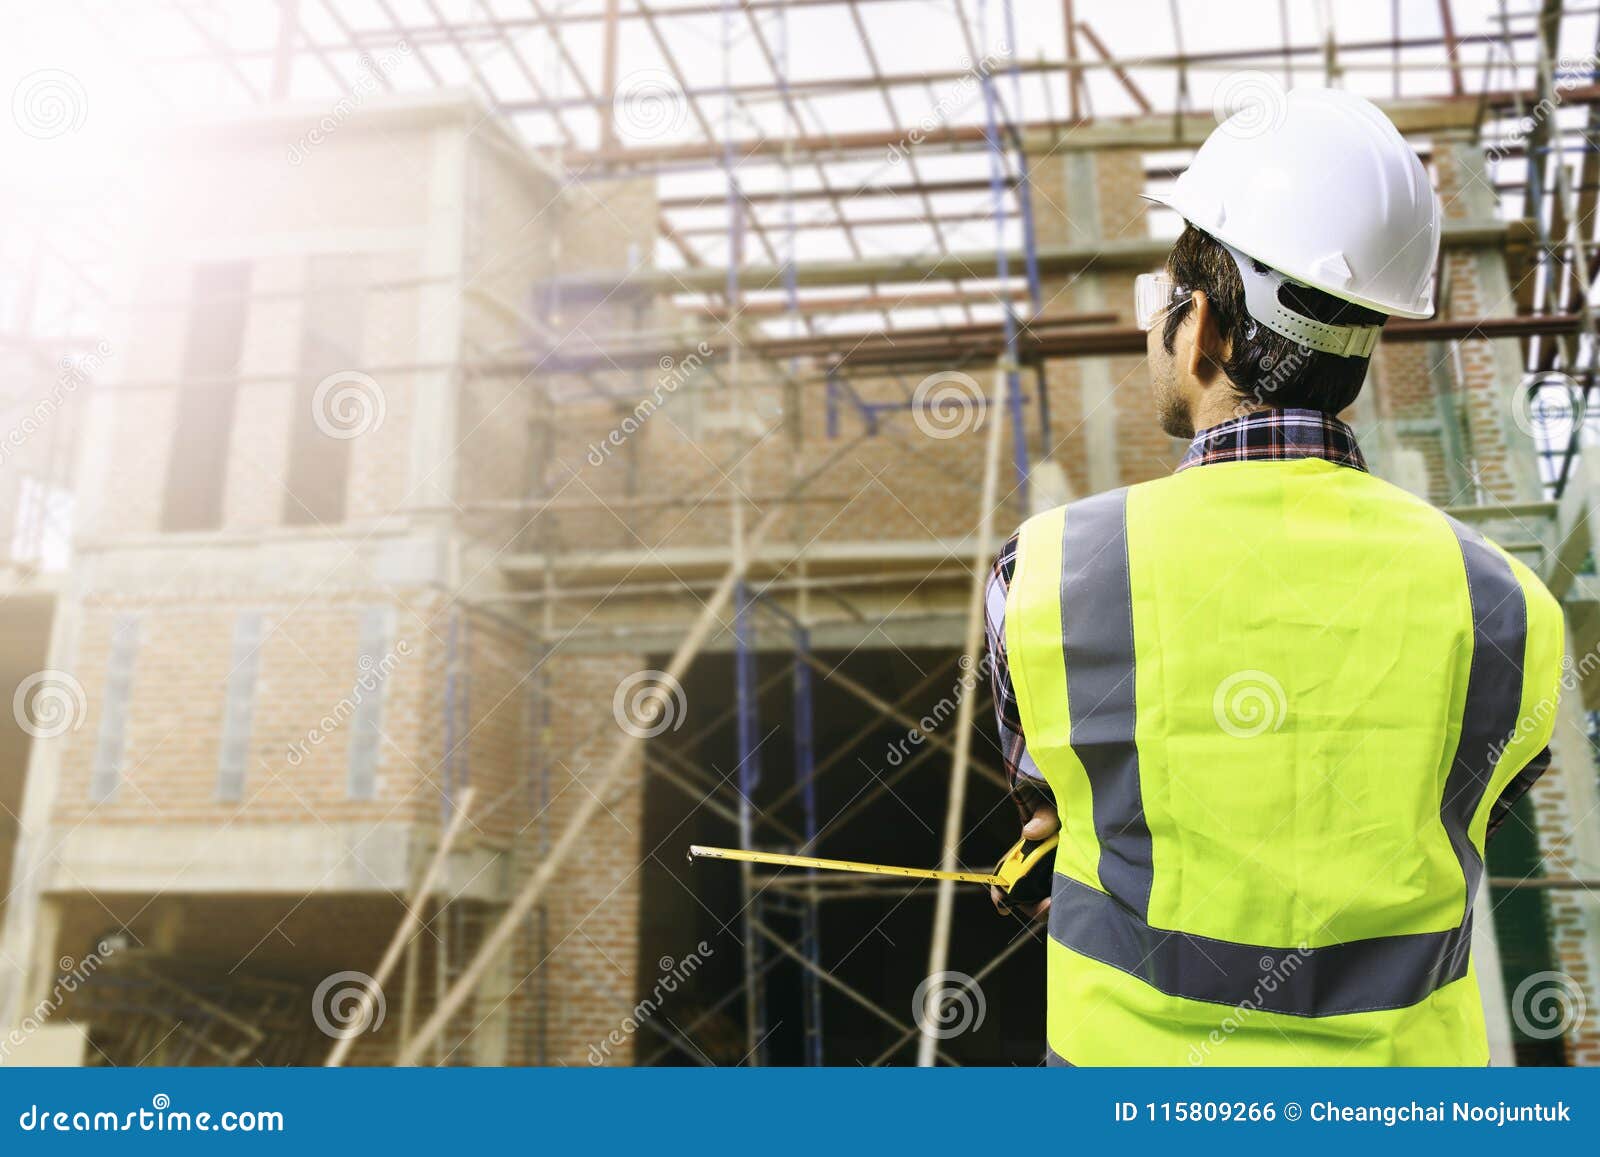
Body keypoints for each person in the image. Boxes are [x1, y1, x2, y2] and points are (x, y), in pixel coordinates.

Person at [984, 86, 1564, 1066]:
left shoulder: (1046, 570)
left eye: (1155, 308)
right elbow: (1459, 810)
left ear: (1200, 324)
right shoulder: (1508, 605)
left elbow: (1065, 798)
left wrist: (1054, 843)